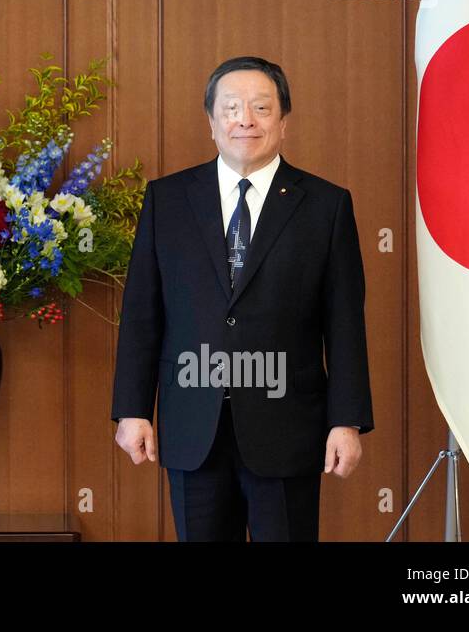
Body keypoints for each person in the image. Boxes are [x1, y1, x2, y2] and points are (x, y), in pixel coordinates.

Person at [111, 56, 373, 541]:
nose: (245, 120)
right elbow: (142, 314)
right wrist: (132, 408)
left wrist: (347, 421)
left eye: (260, 108)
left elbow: (343, 323)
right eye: (231, 108)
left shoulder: (325, 205)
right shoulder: (167, 200)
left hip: (287, 426)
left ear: (283, 121)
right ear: (211, 122)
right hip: (193, 424)